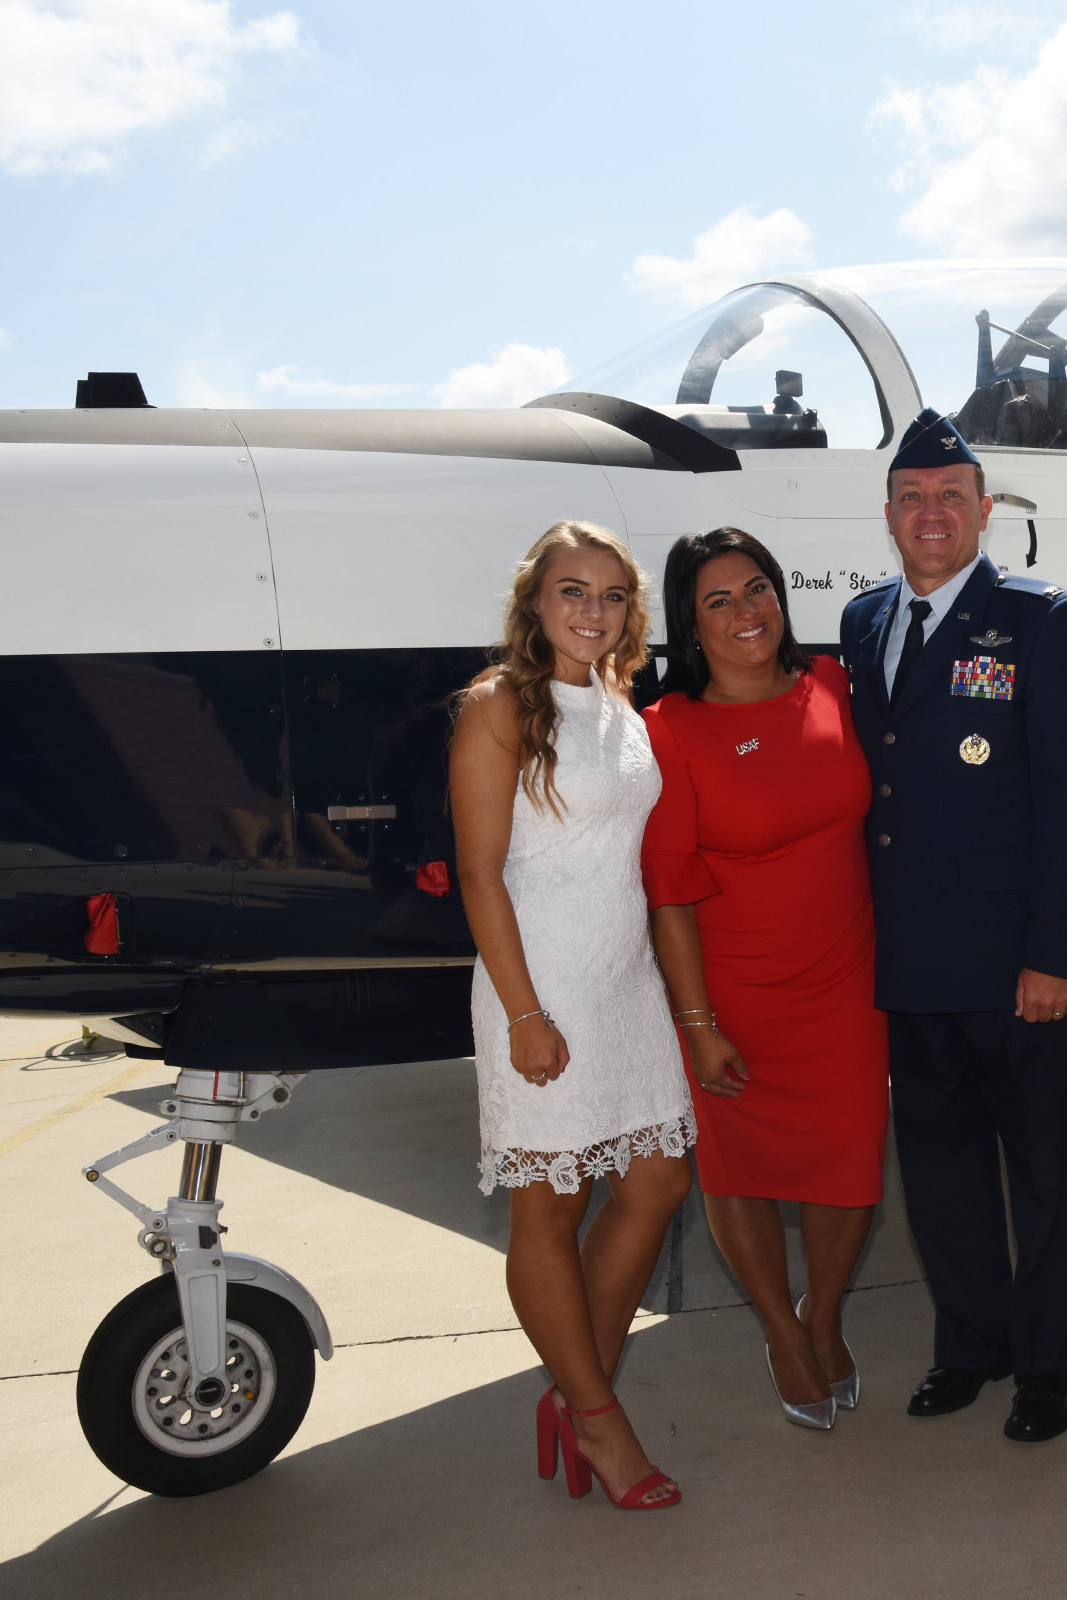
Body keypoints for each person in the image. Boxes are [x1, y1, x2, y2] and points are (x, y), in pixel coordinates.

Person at [840, 408, 1067, 1444]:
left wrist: (1056, 952)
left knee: (1041, 1171)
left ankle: (1045, 1368)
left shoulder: (1040, 620)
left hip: (1012, 965)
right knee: (942, 1171)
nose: (931, 513)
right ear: (889, 515)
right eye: (912, 498)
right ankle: (969, 1344)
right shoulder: (866, 623)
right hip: (908, 958)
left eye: (951, 495)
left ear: (985, 512)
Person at [452, 519, 694, 1512]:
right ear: (534, 601)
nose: (593, 612)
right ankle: (598, 1418)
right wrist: (522, 1012)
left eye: (611, 596)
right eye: (572, 592)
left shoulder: (616, 705)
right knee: (547, 1207)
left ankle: (574, 1387)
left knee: (656, 1182)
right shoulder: (498, 706)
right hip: (538, 984)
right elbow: (478, 870)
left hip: (625, 985)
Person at [640, 527, 888, 1432]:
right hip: (733, 993)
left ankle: (824, 1319)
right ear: (689, 623)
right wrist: (697, 1021)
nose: (746, 613)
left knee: (850, 1165)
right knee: (739, 1171)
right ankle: (782, 1332)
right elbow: (666, 893)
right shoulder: (668, 730)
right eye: (718, 600)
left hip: (848, 980)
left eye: (757, 590)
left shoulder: (831, 684)